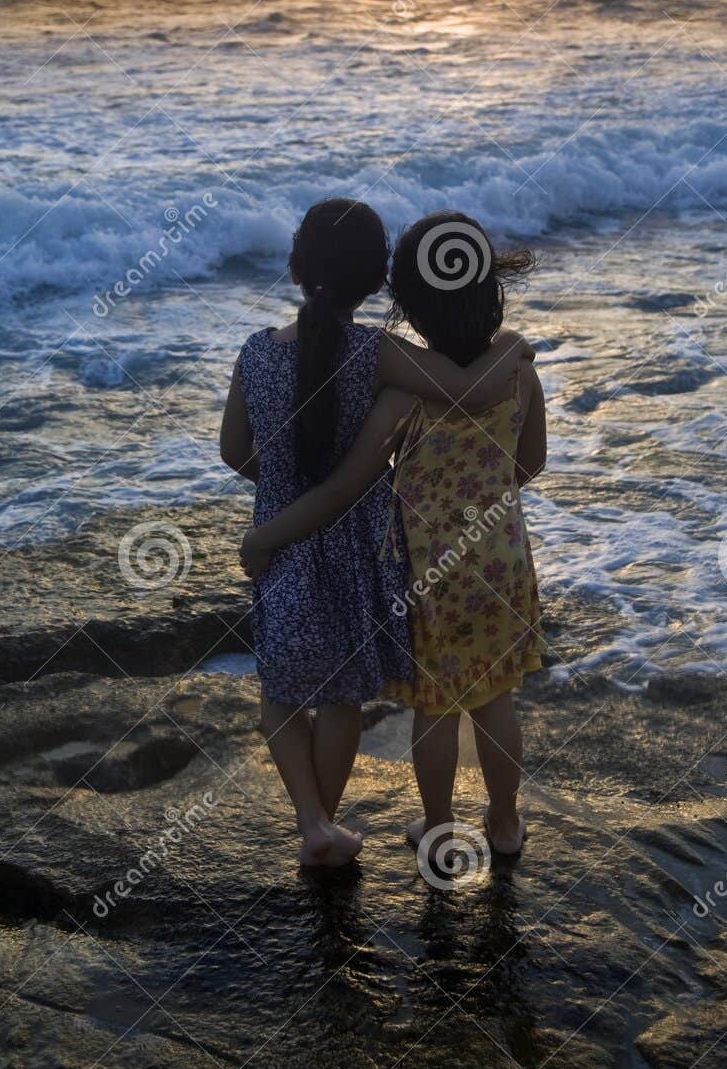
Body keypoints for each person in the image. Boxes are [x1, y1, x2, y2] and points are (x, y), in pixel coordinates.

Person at [220, 199, 531, 868]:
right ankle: (479, 823)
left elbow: (277, 463)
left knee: (378, 702)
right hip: (431, 553)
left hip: (356, 554)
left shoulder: (279, 361)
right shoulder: (437, 361)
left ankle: (374, 825)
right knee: (430, 697)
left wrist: (278, 497)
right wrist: (516, 351)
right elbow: (497, 429)